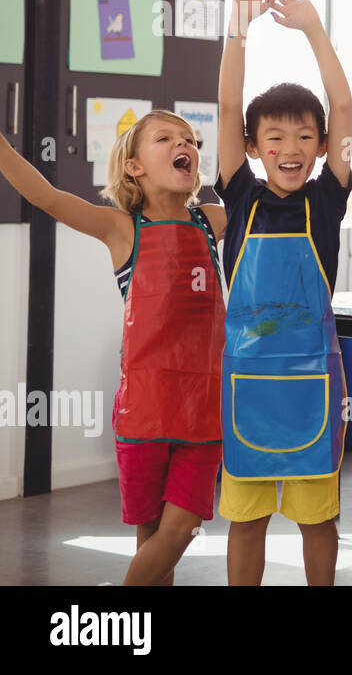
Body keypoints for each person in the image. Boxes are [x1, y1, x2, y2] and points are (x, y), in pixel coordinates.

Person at [0, 109, 225, 585]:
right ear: (134, 166)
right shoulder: (122, 228)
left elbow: (261, 203)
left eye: (190, 139)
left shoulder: (211, 221)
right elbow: (46, 197)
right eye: (165, 138)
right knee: (152, 541)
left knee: (181, 529)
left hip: (204, 412)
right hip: (144, 413)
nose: (183, 143)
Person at [216, 0, 352, 586]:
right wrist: (240, 26)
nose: (291, 148)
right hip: (248, 383)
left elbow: (345, 103)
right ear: (252, 146)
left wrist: (315, 31)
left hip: (311, 388)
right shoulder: (240, 195)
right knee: (245, 522)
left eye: (305, 136)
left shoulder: (325, 201)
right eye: (275, 137)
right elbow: (225, 104)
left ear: (322, 146)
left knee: (318, 521)